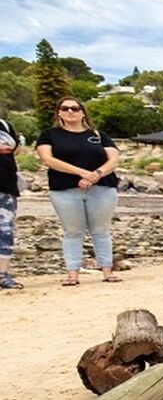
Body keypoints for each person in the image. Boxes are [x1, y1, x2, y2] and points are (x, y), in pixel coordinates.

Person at [36, 97, 122, 285]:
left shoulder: (98, 135)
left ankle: (107, 271)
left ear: (83, 112)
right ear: (58, 113)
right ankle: (72, 273)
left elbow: (114, 159)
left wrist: (96, 175)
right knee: (73, 231)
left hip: (102, 187)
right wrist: (81, 173)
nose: (70, 112)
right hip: (64, 189)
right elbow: (47, 159)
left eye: (75, 108)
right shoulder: (49, 135)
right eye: (65, 108)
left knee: (101, 230)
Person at [0, 117, 22, 289]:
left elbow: (17, 149)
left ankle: (2, 274)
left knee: (5, 230)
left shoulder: (4, 124)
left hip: (6, 184)